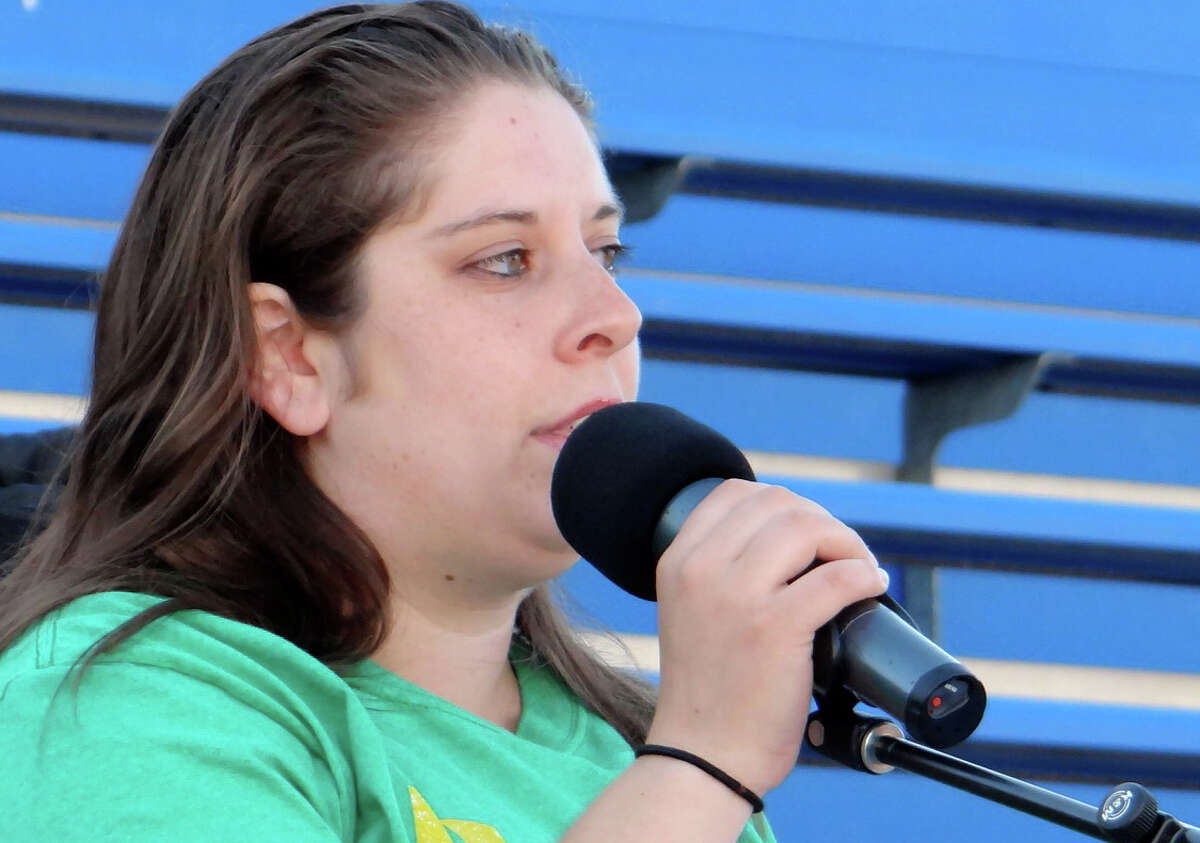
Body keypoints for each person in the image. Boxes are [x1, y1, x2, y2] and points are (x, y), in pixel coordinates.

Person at [0, 3, 888, 840]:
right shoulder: (120, 701)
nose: (615, 314)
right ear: (288, 355)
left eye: (606, 251)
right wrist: (702, 765)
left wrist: (692, 765)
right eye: (505, 260)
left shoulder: (635, 753)